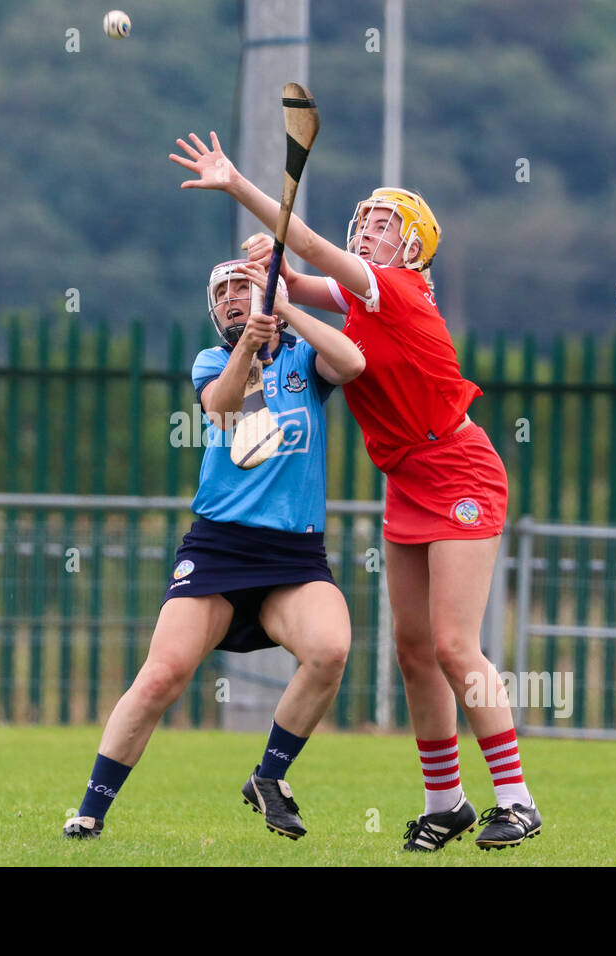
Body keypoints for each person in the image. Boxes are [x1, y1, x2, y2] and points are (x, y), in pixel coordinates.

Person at [171, 131, 542, 852]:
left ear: (411, 250)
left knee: (455, 643)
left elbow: (303, 246)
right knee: (411, 648)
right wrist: (263, 271)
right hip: (406, 478)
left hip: (458, 466)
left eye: (386, 224)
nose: (370, 228)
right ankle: (446, 803)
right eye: (366, 220)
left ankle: (518, 798)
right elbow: (292, 274)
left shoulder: (393, 288)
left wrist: (239, 185)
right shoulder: (356, 293)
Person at [63, 257, 364, 841]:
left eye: (242, 288)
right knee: (161, 677)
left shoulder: (305, 358)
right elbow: (230, 416)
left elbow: (353, 362)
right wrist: (247, 350)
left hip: (293, 558)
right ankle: (90, 813)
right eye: (222, 293)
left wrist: (288, 310)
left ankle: (268, 778)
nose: (230, 299)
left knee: (330, 651)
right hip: (220, 547)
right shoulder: (212, 361)